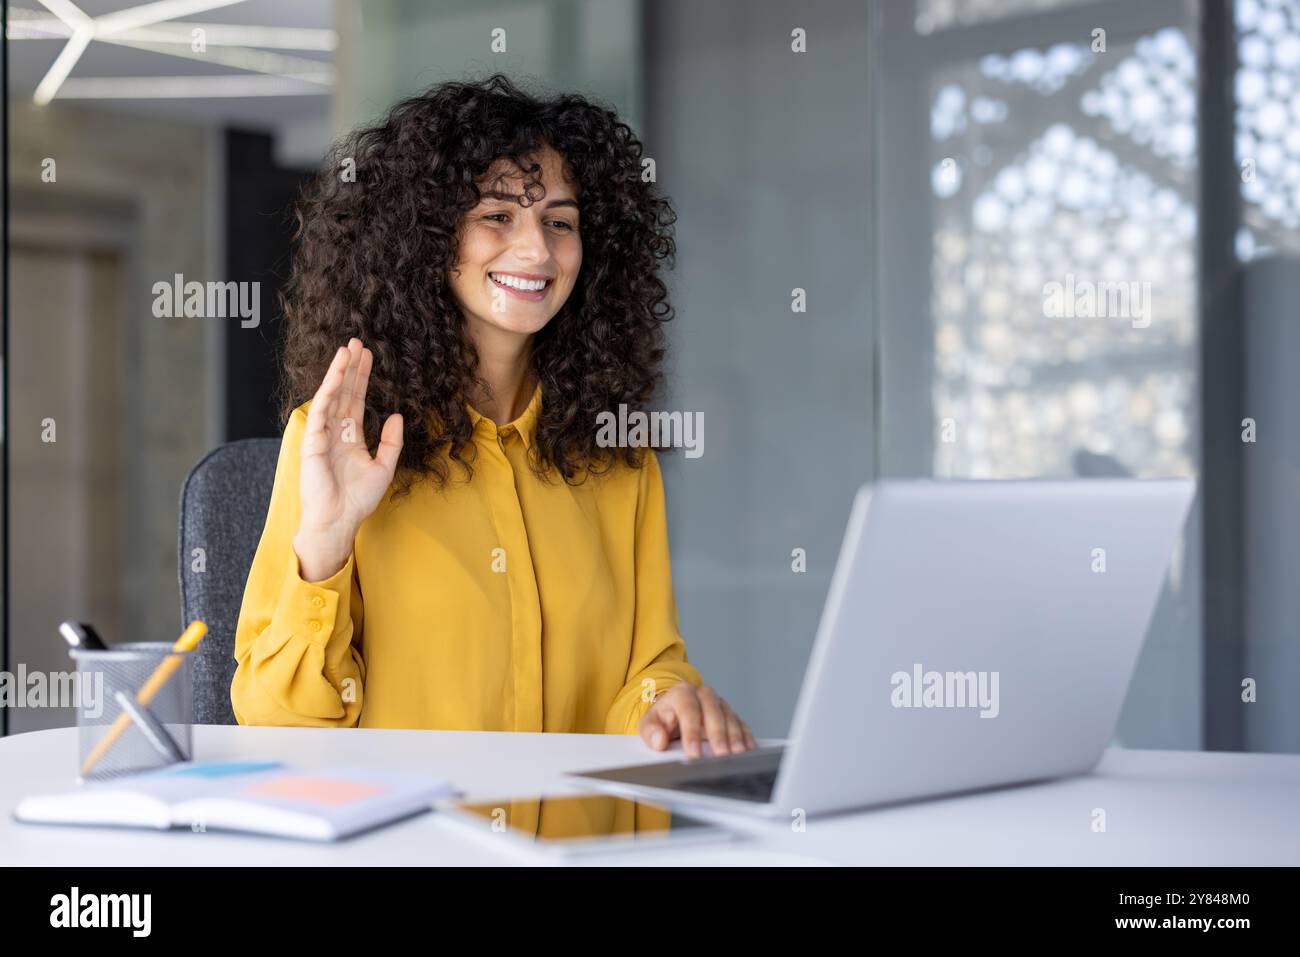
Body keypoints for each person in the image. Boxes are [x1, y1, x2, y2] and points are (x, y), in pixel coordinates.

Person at [232, 74, 755, 759]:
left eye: (560, 221)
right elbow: (277, 725)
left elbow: (642, 674)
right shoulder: (338, 441)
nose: (537, 249)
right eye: (498, 216)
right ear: (427, 235)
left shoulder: (619, 456)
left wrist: (672, 701)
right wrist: (326, 543)